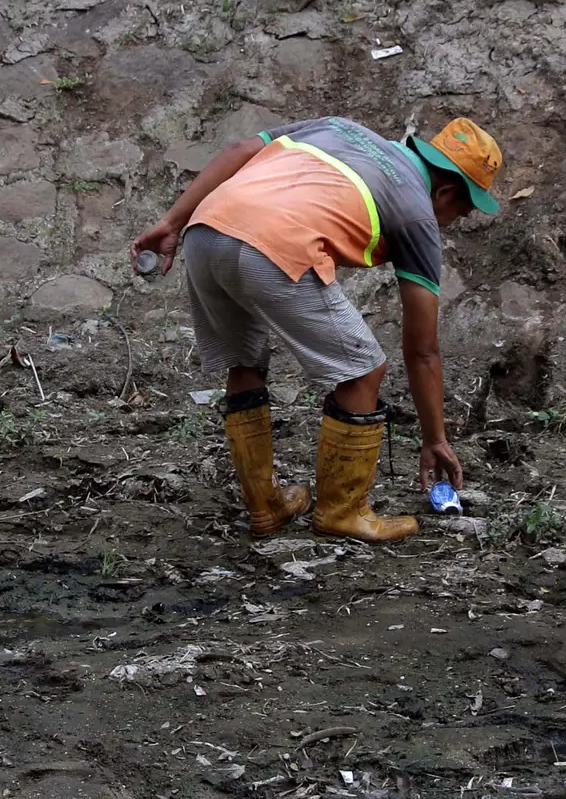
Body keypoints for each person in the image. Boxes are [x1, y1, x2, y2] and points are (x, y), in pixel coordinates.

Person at [130, 116, 503, 544]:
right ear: (446, 192)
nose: (455, 221)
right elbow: (422, 351)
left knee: (245, 361)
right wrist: (435, 438)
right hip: (274, 244)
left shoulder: (340, 128)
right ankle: (343, 512)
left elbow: (238, 151)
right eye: (464, 210)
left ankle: (264, 508)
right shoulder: (418, 213)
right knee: (363, 370)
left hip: (205, 227)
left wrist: (172, 223)